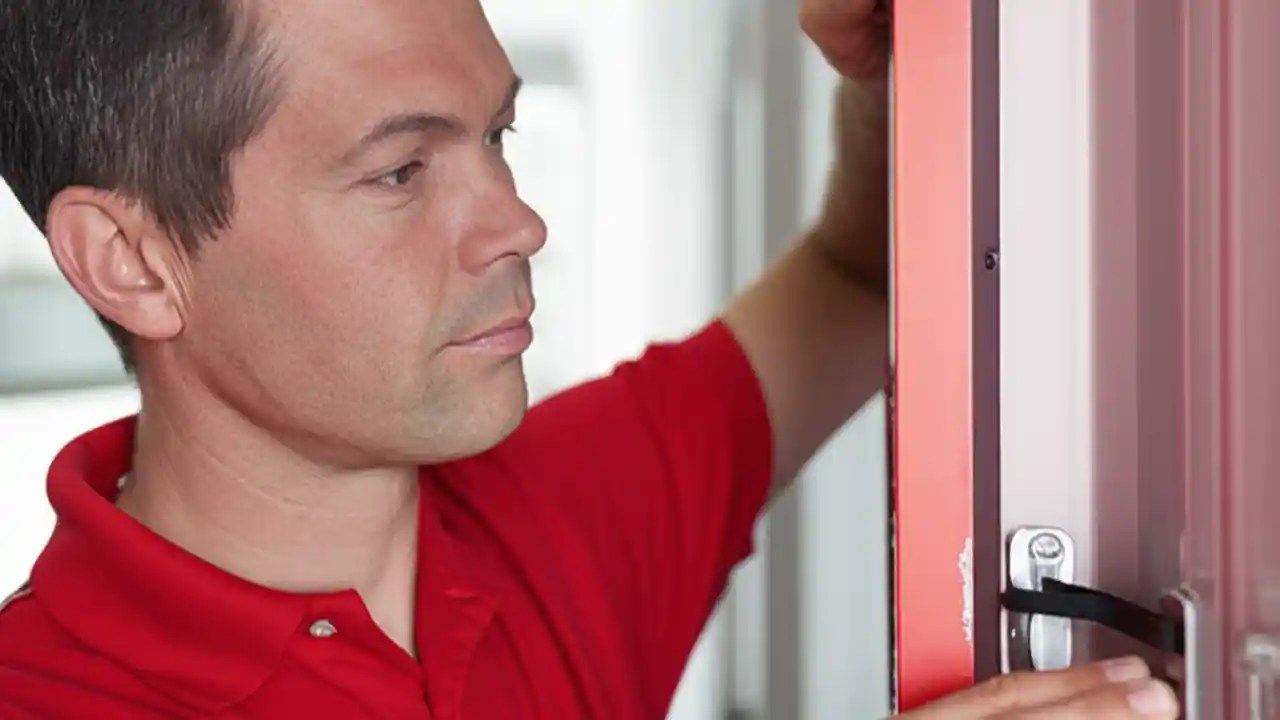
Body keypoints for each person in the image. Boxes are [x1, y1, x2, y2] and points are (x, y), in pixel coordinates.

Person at [0, 0, 1178, 718]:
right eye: (399, 171)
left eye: (496, 135)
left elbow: (853, 277)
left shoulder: (559, 507)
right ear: (132, 262)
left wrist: (892, 52)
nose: (517, 222)